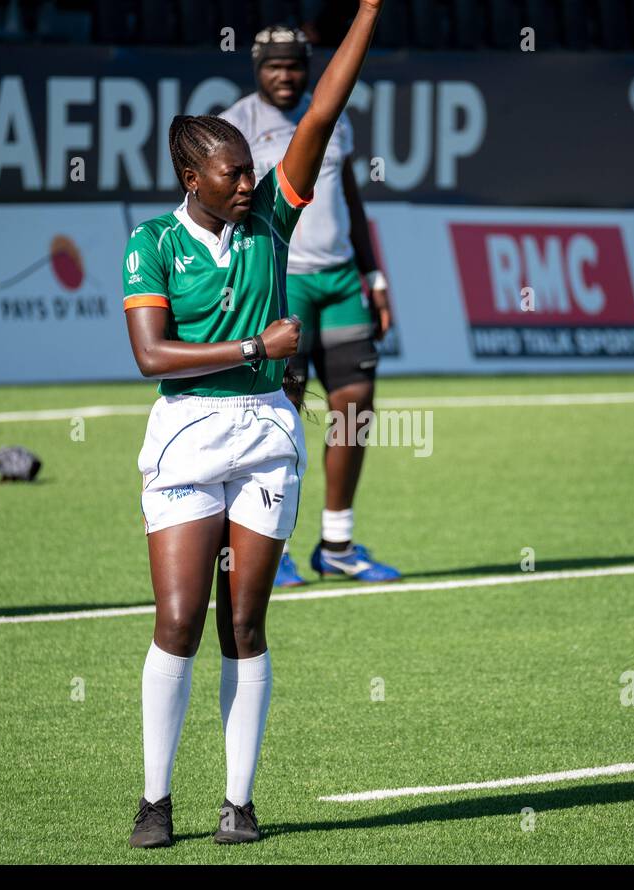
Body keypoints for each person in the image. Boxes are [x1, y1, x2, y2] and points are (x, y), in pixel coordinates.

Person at [120, 0, 384, 847]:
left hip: (266, 433)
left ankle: (239, 803)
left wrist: (369, 10)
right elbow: (153, 358)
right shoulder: (150, 242)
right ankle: (155, 802)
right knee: (178, 619)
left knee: (245, 622)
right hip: (187, 435)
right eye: (232, 173)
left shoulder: (271, 216)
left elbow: (323, 110)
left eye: (249, 172)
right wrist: (254, 344)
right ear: (190, 178)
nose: (248, 181)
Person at [221, 24, 400, 586]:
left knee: (353, 405)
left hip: (342, 277)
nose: (285, 76)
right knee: (283, 414)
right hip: (283, 281)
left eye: (294, 66)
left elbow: (349, 194)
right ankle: (271, 547)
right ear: (257, 69)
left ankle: (339, 544)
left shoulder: (333, 116)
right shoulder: (237, 123)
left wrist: (373, 273)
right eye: (273, 67)